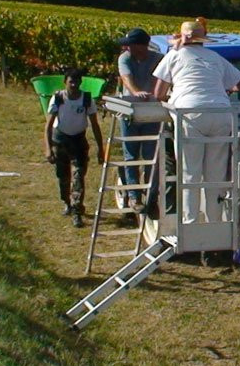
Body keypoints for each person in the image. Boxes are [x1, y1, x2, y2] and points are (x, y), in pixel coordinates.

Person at [152, 20, 240, 225]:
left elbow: (158, 93)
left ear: (181, 38)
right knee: (215, 175)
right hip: (222, 114)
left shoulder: (173, 56)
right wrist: (227, 90)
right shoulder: (216, 57)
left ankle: (191, 225)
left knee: (191, 174)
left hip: (190, 114)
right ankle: (215, 224)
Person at [44, 68, 105, 228]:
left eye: (76, 82)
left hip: (78, 141)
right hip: (60, 140)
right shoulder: (58, 98)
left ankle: (77, 211)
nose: (73, 85)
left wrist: (101, 148)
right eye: (71, 81)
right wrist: (48, 148)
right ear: (65, 82)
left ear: (80, 83)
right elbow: (48, 126)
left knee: (78, 177)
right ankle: (67, 202)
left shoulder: (86, 99)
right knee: (63, 177)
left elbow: (95, 125)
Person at [116, 27, 164, 213]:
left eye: (130, 45)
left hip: (152, 112)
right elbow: (125, 77)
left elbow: (162, 77)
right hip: (130, 111)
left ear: (140, 46)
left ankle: (151, 197)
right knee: (131, 155)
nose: (127, 48)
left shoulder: (157, 59)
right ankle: (134, 197)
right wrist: (136, 92)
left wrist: (155, 92)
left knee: (151, 156)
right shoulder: (125, 58)